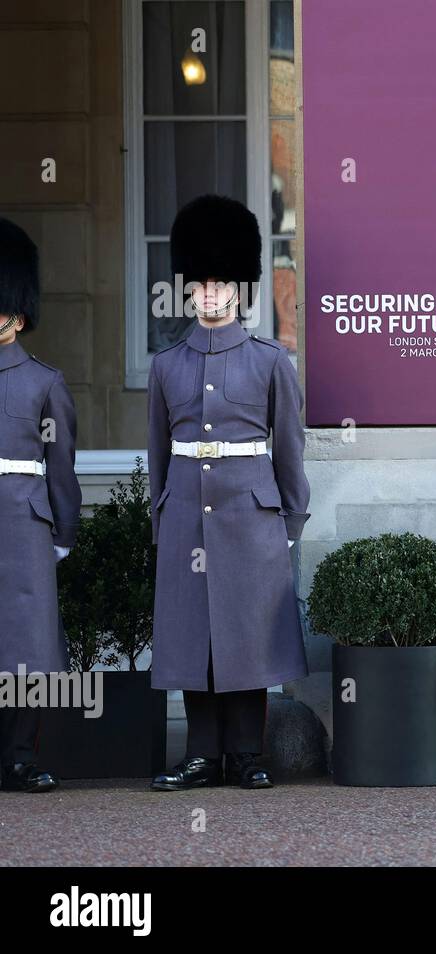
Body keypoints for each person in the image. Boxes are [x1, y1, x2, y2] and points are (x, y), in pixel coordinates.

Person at [148, 194, 309, 791]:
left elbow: (289, 452)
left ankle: (246, 754)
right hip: (188, 515)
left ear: (240, 290)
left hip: (252, 517)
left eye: (223, 285)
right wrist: (163, 526)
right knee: (195, 635)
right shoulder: (168, 367)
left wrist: (289, 525)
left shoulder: (270, 362)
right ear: (190, 290)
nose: (212, 295)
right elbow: (158, 456)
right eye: (202, 285)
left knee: (247, 637)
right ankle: (201, 755)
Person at [0, 217, 80, 793]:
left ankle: (20, 757)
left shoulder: (44, 383)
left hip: (25, 523)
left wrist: (63, 534)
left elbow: (61, 469)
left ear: (16, 314)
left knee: (28, 646)